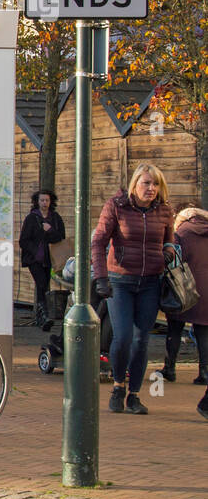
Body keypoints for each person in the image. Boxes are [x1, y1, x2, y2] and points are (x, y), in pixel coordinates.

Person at [92, 163, 176, 415]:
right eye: (146, 183)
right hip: (120, 281)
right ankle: (118, 385)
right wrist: (101, 278)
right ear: (135, 184)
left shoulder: (164, 210)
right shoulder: (116, 206)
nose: (151, 188)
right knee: (124, 337)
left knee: (141, 340)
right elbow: (98, 242)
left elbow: (169, 239)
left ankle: (134, 395)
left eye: (156, 184)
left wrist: (169, 250)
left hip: (151, 281)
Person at [161, 206, 208, 389]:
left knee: (174, 327)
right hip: (206, 290)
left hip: (184, 286)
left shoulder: (182, 232)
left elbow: (174, 259)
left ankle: (169, 368)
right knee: (203, 331)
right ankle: (204, 372)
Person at [20, 189, 66, 330]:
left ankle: (41, 318)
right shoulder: (31, 218)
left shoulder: (55, 218)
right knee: (41, 283)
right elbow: (23, 240)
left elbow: (60, 236)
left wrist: (49, 230)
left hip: (50, 258)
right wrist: (34, 249)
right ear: (37, 202)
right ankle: (45, 316)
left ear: (51, 201)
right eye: (42, 200)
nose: (44, 203)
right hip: (35, 259)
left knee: (45, 285)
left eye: (47, 200)